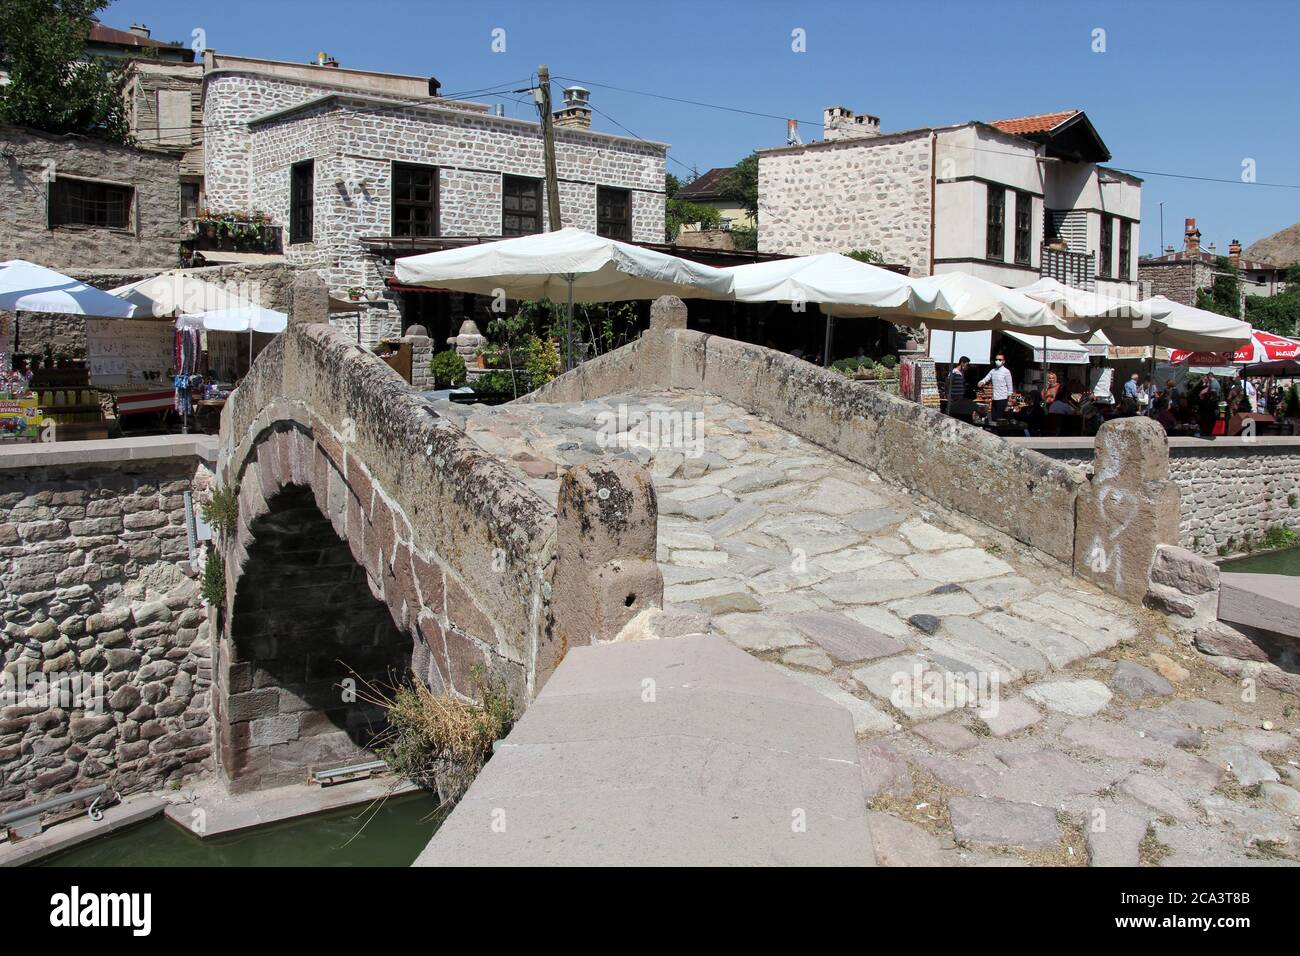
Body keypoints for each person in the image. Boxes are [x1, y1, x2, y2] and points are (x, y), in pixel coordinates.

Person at [978, 352, 1014, 422]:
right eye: (996, 359)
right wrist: (981, 382)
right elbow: (986, 378)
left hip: (1003, 398)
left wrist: (1009, 399)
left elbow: (1010, 386)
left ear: (1003, 361)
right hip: (994, 398)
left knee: (999, 418)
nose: (998, 361)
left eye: (1000, 360)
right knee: (993, 417)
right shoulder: (993, 371)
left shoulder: (1006, 371)